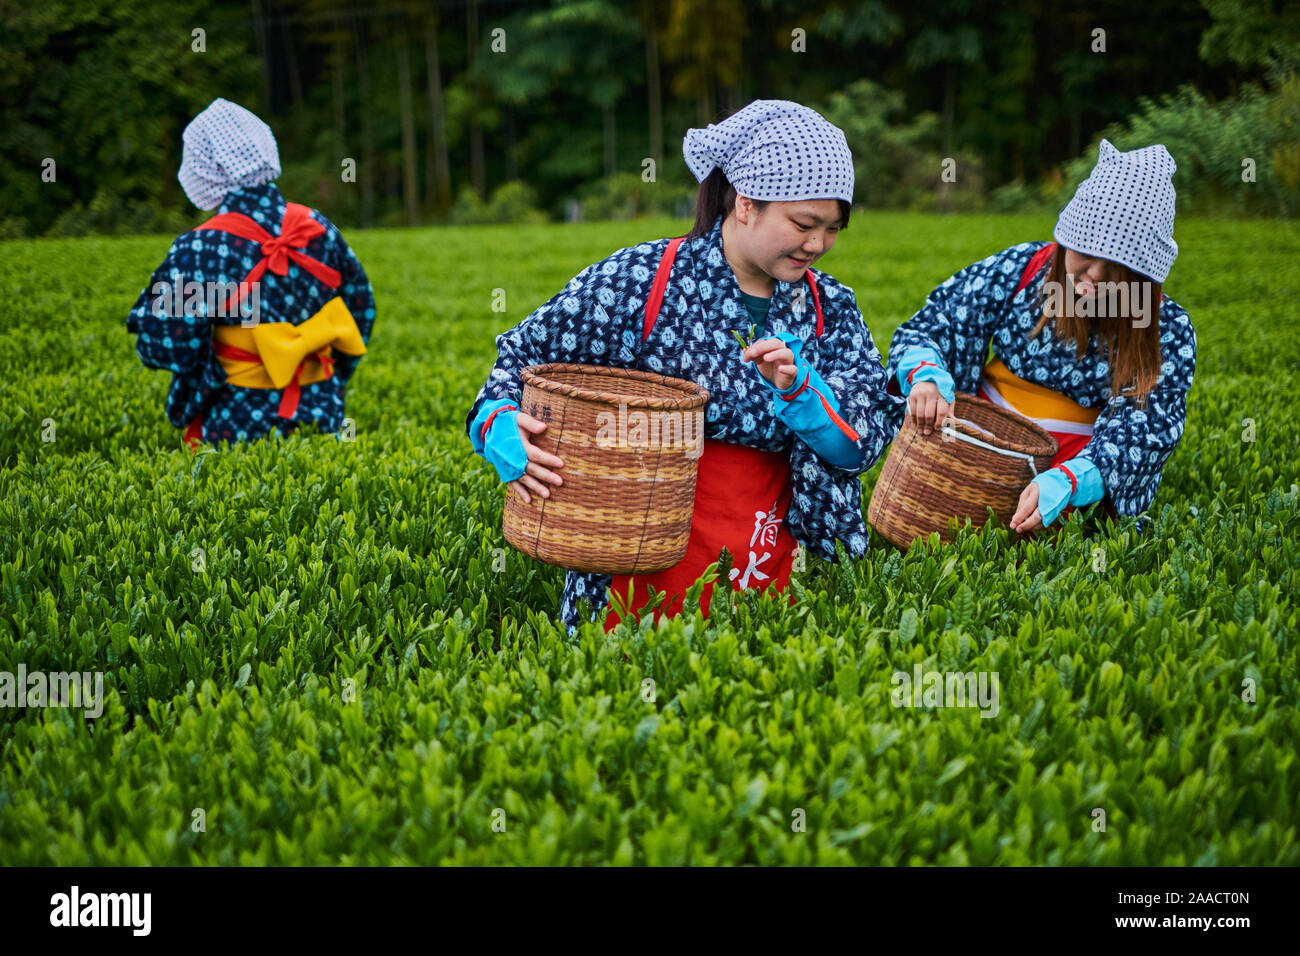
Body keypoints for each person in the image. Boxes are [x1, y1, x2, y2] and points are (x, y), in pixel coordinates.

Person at [467, 99, 903, 635]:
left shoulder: (830, 306)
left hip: (774, 549)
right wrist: (498, 419)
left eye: (833, 228)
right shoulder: (643, 278)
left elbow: (862, 441)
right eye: (804, 223)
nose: (818, 244)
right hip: (641, 539)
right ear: (746, 204)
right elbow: (524, 352)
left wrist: (804, 394)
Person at [885, 139, 1195, 534]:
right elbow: (940, 321)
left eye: (1118, 265)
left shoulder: (1165, 326)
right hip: (980, 447)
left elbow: (1147, 427)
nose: (1096, 275)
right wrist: (925, 371)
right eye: (1086, 252)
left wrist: (1075, 478)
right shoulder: (1023, 268)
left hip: (1070, 472)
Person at [127, 98, 376, 447]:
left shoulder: (204, 247)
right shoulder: (317, 226)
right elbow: (361, 309)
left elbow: (166, 344)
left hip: (236, 423)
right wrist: (329, 375)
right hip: (324, 415)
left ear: (204, 169)